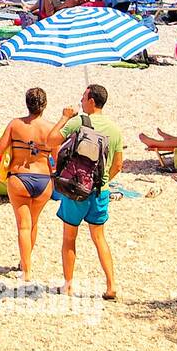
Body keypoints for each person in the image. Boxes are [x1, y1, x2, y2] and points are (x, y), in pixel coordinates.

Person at [50, 84, 122, 299]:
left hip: (76, 189)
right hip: (101, 191)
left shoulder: (78, 121)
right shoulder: (115, 129)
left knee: (69, 237)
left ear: (91, 101)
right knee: (99, 237)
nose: (81, 101)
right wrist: (102, 180)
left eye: (83, 97)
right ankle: (111, 285)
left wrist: (64, 117)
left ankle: (68, 285)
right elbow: (118, 165)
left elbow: (51, 140)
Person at [0, 88, 58, 283]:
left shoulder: (15, 124)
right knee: (34, 222)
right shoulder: (50, 128)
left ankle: (27, 271)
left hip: (20, 177)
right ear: (44, 105)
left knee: (23, 226)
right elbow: (56, 157)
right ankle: (25, 262)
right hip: (43, 179)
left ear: (27, 104)